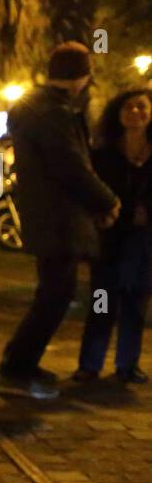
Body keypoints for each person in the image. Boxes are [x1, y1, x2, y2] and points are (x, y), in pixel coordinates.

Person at [0, 42, 122, 400]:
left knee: (54, 293)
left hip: (49, 217)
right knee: (56, 295)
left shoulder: (40, 109)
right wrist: (108, 200)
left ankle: (20, 363)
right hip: (58, 220)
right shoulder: (54, 113)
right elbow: (71, 166)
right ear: (81, 77)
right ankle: (15, 368)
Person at [74, 88, 152, 384]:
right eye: (128, 107)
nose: (135, 112)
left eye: (142, 107)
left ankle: (127, 365)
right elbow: (93, 191)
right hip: (110, 238)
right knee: (102, 300)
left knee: (136, 303)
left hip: (144, 242)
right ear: (118, 114)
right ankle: (89, 364)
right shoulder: (104, 154)